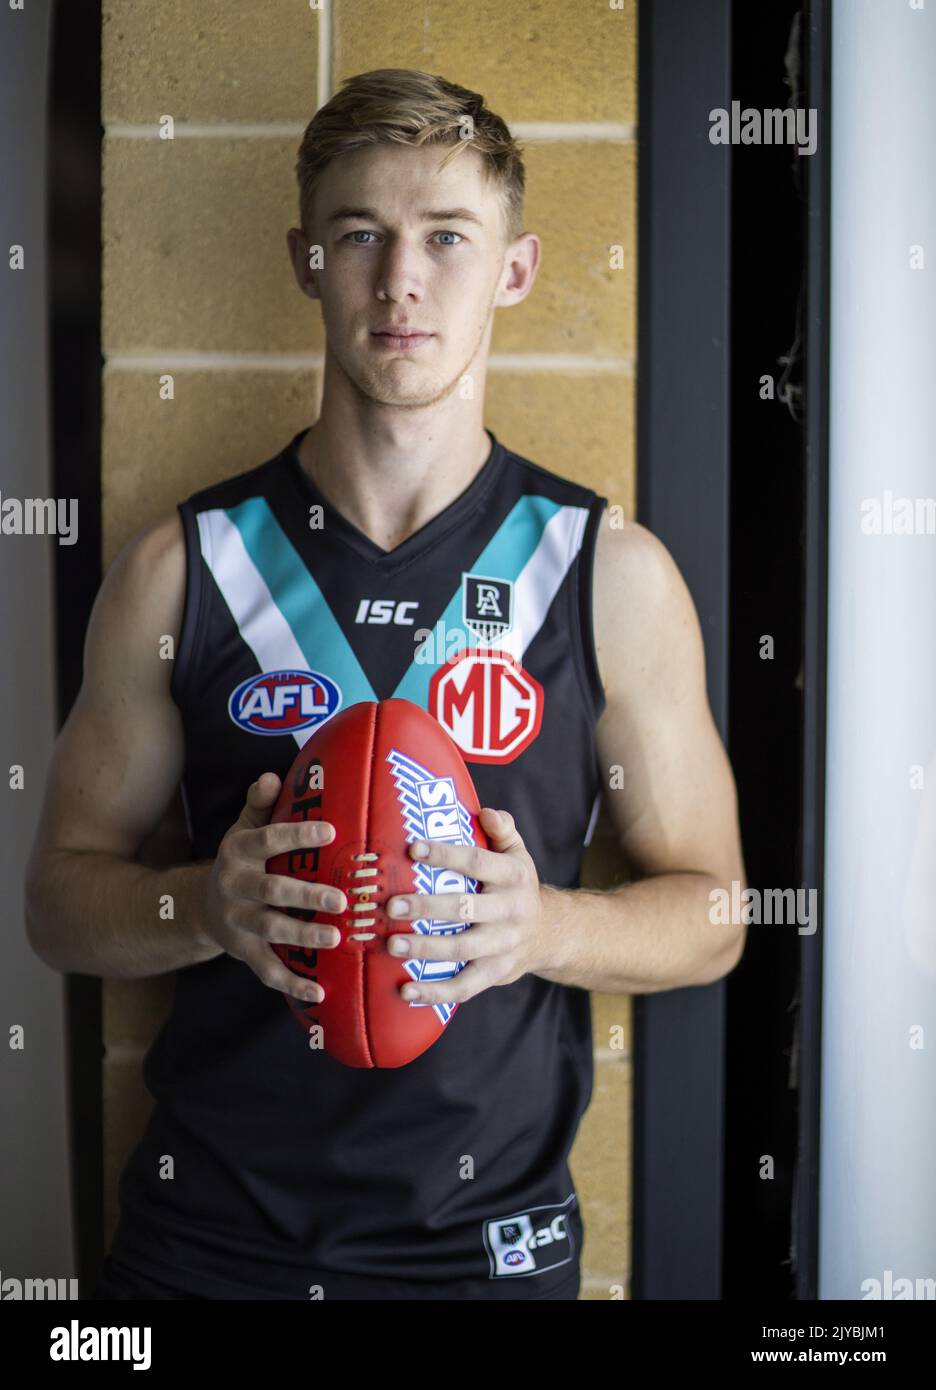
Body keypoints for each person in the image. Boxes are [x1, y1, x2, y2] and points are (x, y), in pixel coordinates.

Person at [24, 68, 747, 1301]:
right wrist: (205, 908)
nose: (401, 280)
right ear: (308, 261)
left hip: (485, 1254)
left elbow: (720, 913)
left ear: (513, 270)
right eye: (361, 235)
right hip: (207, 1248)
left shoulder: (604, 571)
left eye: (446, 239)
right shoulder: (182, 569)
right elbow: (55, 906)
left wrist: (545, 927)